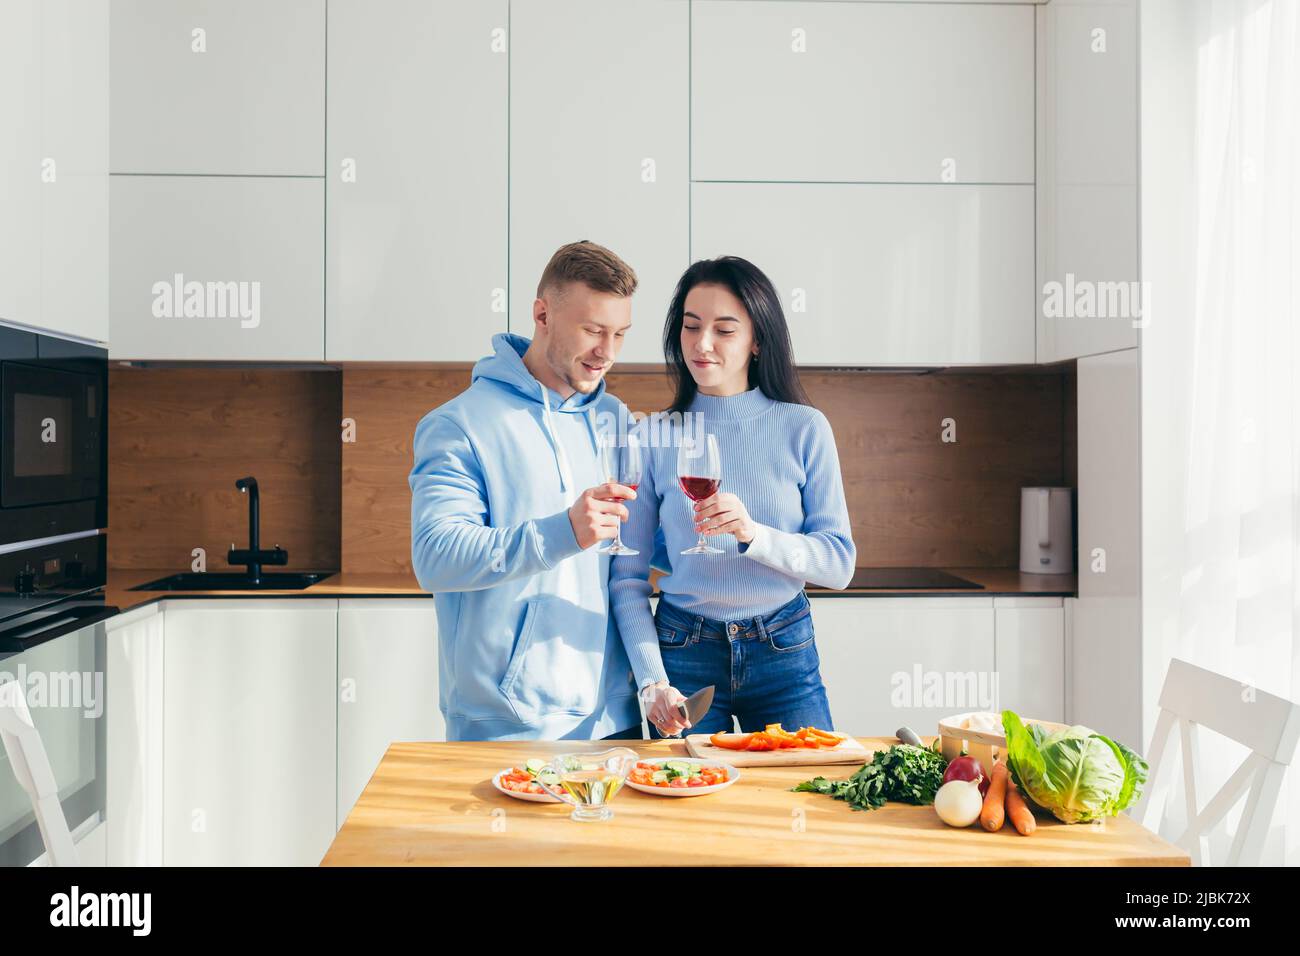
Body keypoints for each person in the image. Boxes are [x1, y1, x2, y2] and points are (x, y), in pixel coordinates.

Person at [610, 256, 856, 738]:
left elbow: (838, 564)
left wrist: (753, 534)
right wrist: (652, 683)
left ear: (757, 340)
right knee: (691, 805)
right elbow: (627, 579)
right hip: (686, 654)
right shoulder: (652, 437)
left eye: (724, 330)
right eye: (691, 326)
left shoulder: (804, 428)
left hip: (783, 651)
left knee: (805, 794)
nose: (701, 345)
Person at [409, 240, 645, 740]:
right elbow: (436, 556)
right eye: (593, 330)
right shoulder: (459, 424)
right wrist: (562, 532)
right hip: (508, 726)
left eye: (620, 334)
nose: (608, 352)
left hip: (615, 722)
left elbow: (630, 560)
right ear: (542, 313)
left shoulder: (614, 419)